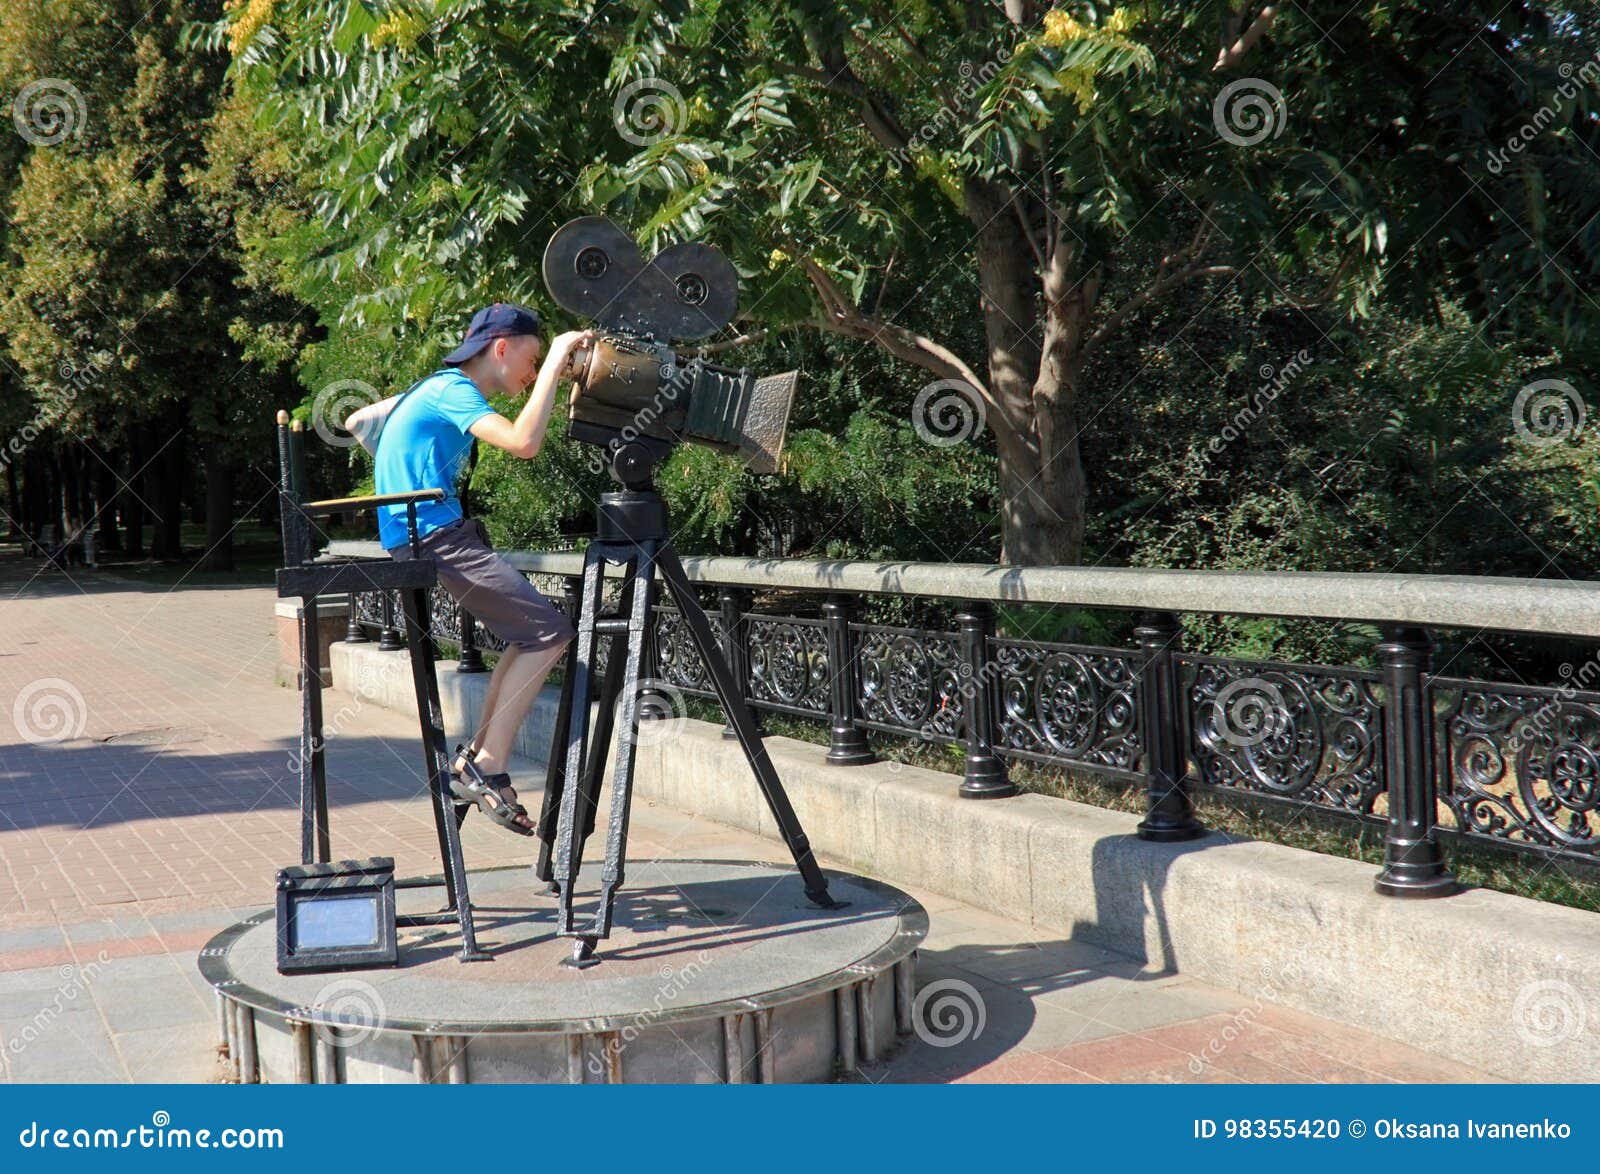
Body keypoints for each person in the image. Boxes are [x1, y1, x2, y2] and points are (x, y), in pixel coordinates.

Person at [349, 302, 592, 836]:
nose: (531, 375)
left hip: (423, 537)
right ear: (500, 348)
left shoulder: (435, 389)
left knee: (531, 634)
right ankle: (487, 767)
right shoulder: (453, 391)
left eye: (538, 366)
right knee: (551, 632)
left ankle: (476, 760)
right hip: (434, 536)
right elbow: (525, 443)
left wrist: (389, 434)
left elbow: (356, 421)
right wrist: (556, 363)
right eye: (529, 359)